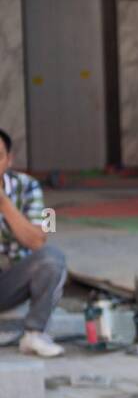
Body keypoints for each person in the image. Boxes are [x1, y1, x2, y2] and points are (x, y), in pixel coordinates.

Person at [0, 128, 67, 358]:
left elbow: (38, 239)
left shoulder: (28, 186)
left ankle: (34, 335)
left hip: (10, 282)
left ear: (9, 160)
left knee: (52, 258)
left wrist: (3, 203)